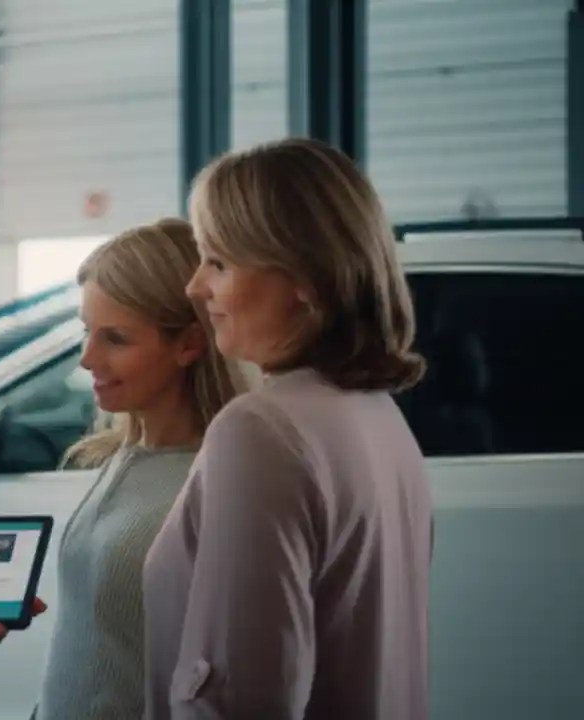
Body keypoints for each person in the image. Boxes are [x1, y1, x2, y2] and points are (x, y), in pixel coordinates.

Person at [143, 137, 432, 720]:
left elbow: (236, 697)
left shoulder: (261, 429)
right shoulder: (377, 414)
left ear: (303, 277)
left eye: (218, 262)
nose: (195, 286)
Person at [0, 220, 241, 720]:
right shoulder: (126, 456)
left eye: (115, 339)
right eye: (86, 332)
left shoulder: (215, 485)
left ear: (187, 344)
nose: (86, 358)